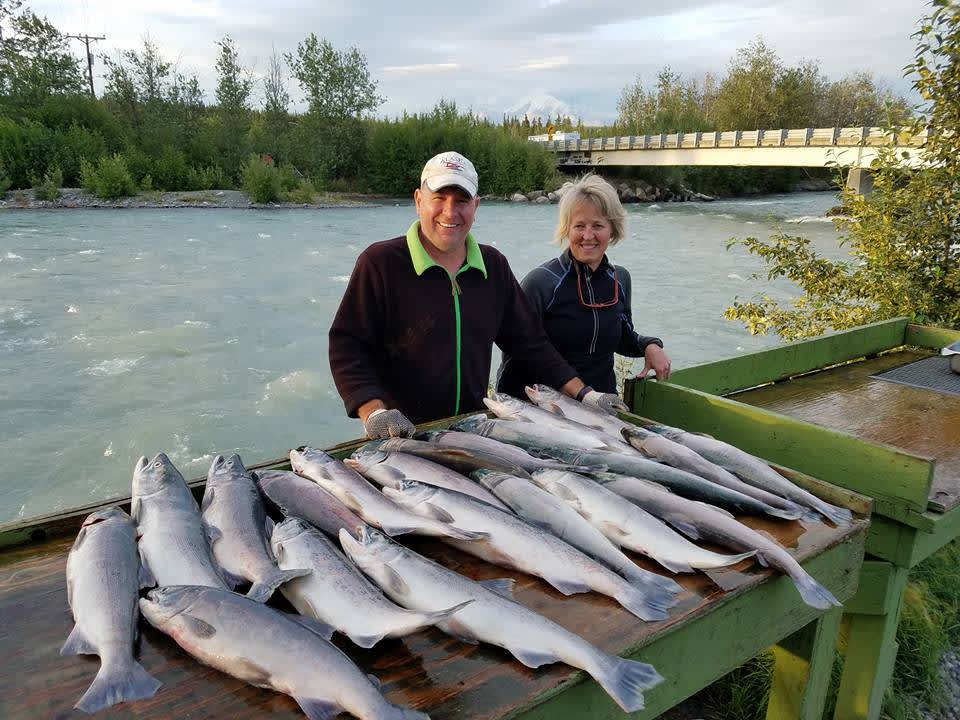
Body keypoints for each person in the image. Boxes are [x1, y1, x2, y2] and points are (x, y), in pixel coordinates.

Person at [328, 151, 627, 439]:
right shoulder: (381, 263)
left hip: (471, 431)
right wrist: (373, 411)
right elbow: (347, 345)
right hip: (400, 435)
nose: (450, 212)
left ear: (476, 206)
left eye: (461, 200)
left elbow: (531, 344)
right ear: (419, 201)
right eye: (439, 198)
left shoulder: (493, 266)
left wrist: (585, 395)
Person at [496, 173, 670, 399]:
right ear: (567, 229)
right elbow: (518, 350)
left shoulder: (620, 279)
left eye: (598, 225)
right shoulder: (541, 282)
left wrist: (649, 346)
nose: (588, 236)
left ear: (612, 229)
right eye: (579, 226)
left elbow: (620, 336)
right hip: (545, 406)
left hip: (601, 403)